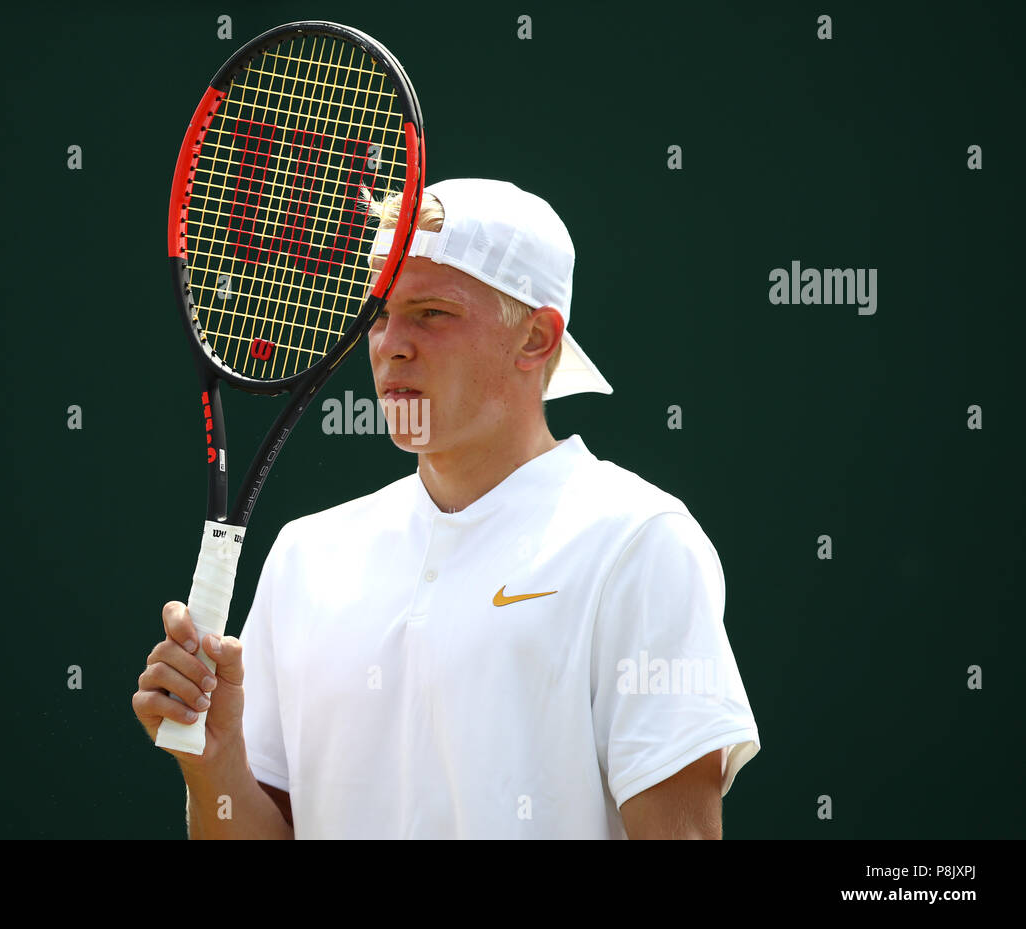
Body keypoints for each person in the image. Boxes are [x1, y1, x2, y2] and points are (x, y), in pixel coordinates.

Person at [133, 178, 761, 839]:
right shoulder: (304, 556)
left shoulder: (639, 541)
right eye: (378, 314)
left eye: (431, 312)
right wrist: (215, 756)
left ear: (537, 339)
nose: (391, 344)